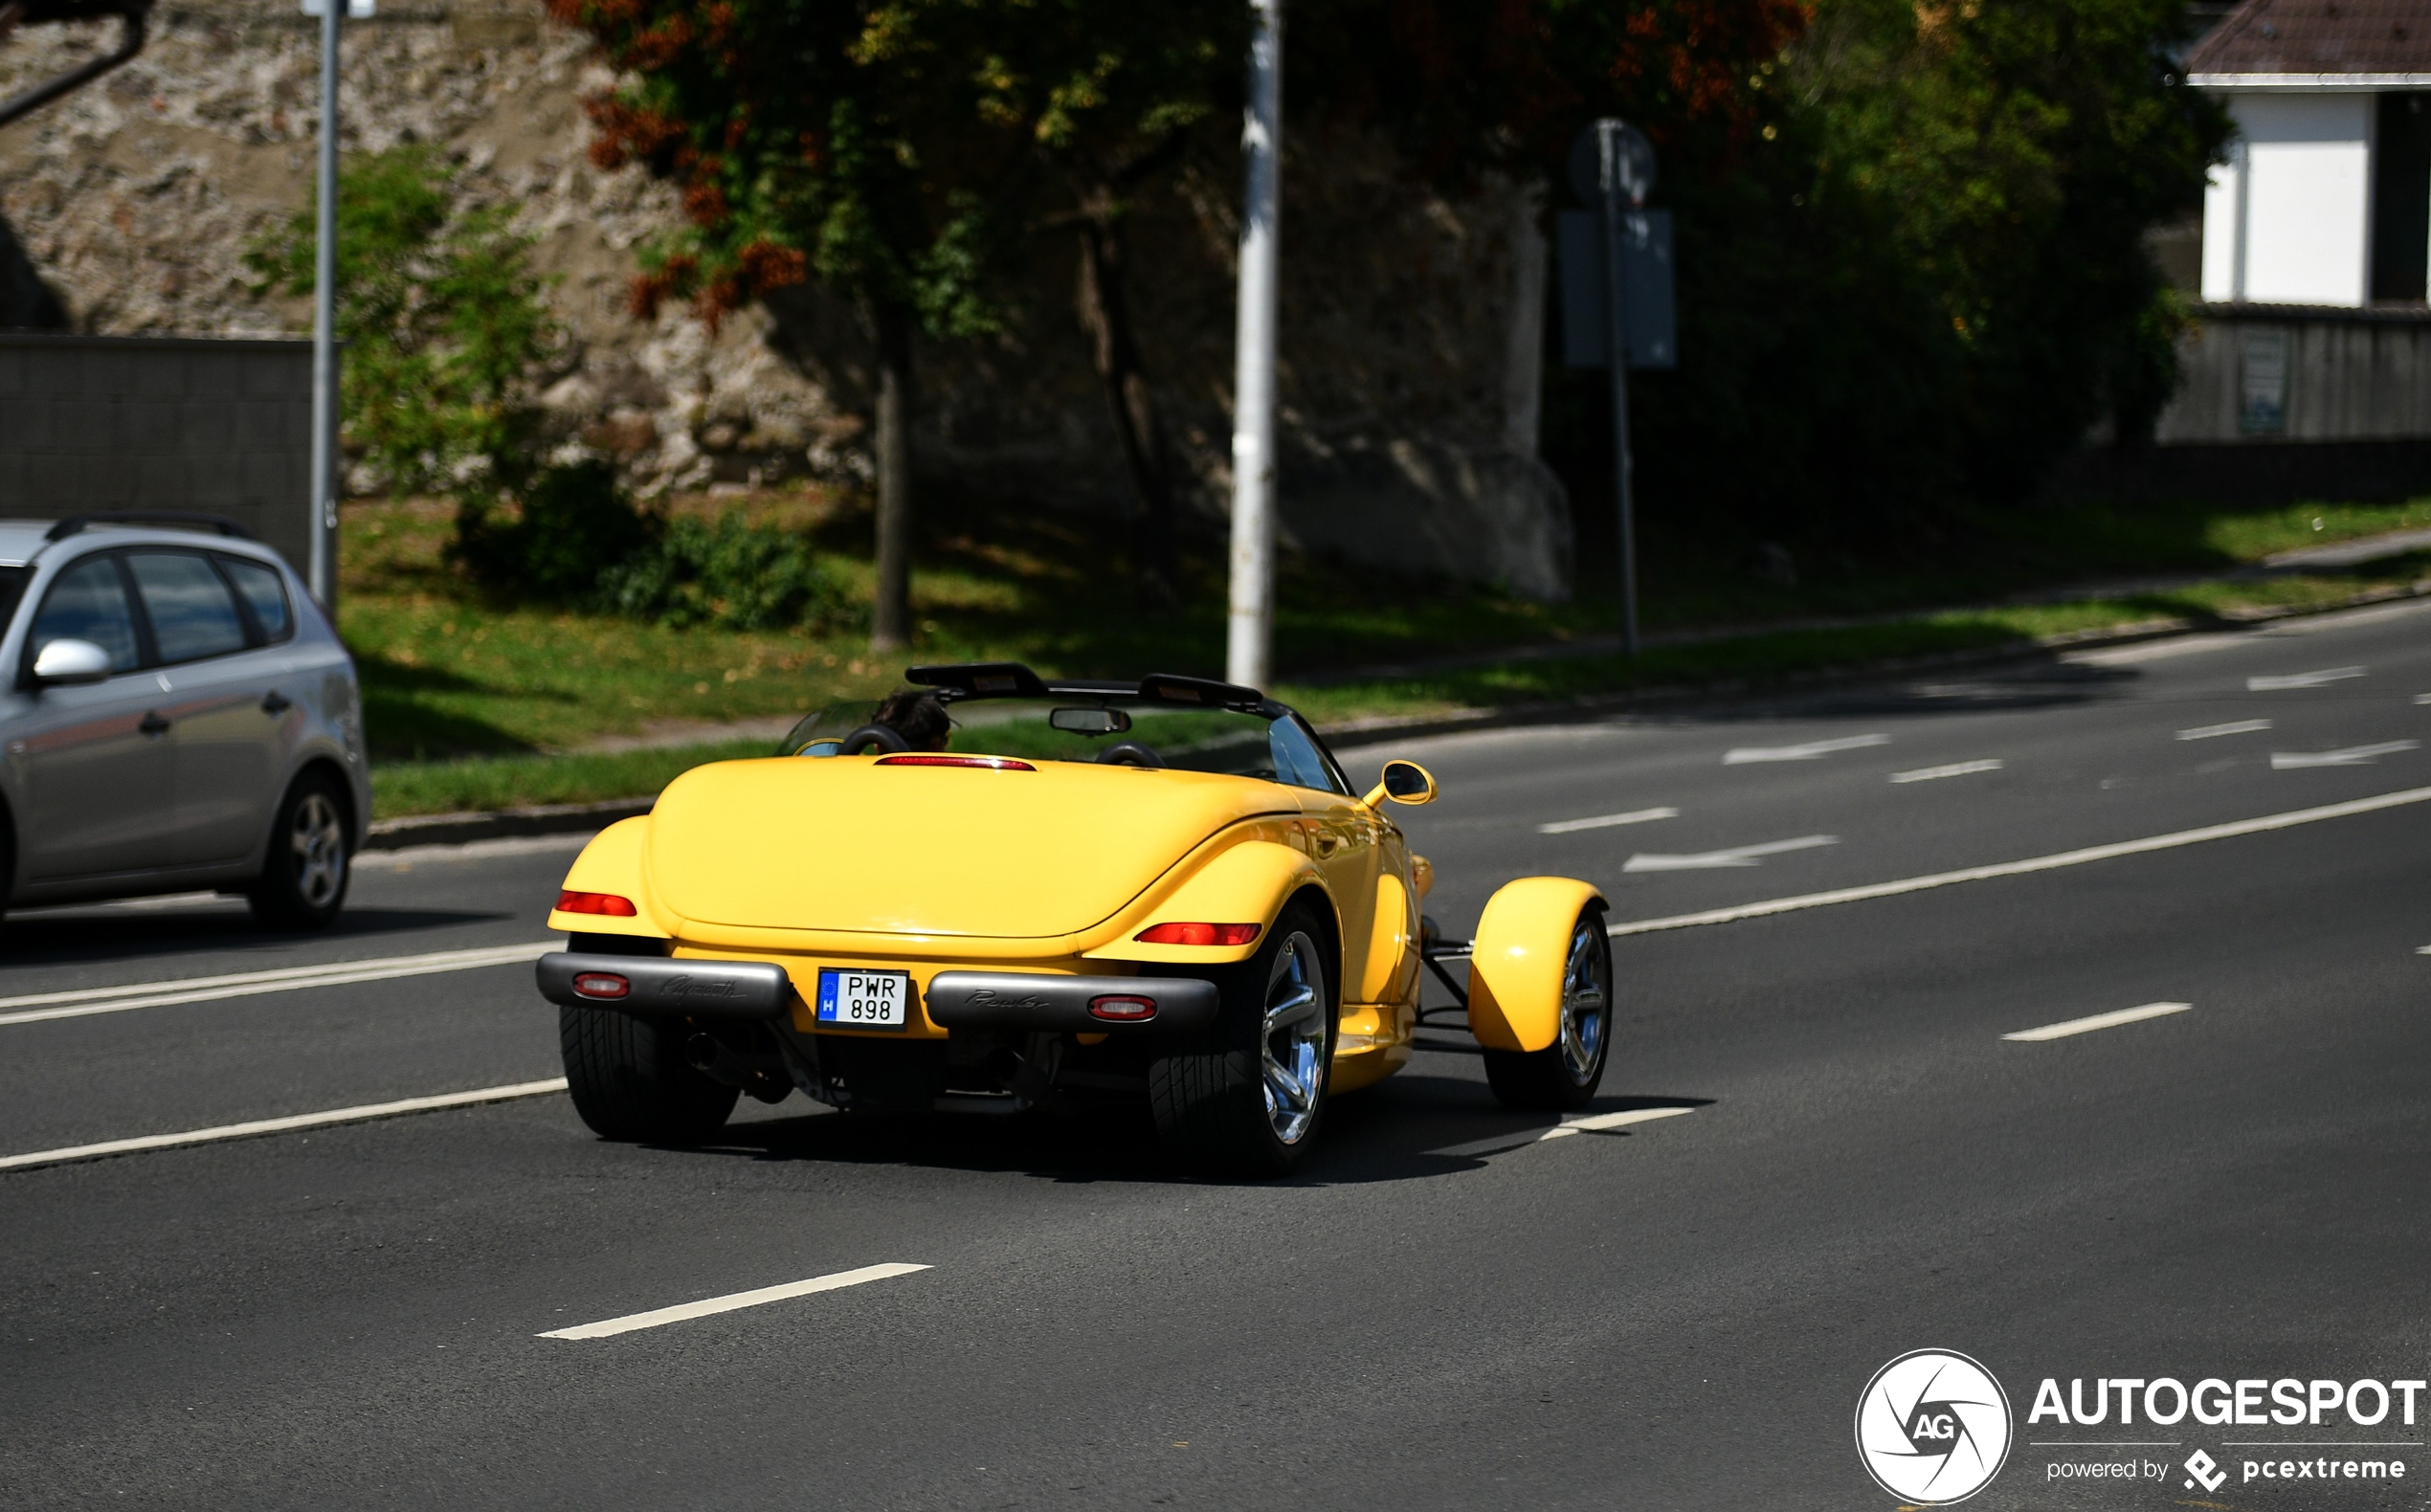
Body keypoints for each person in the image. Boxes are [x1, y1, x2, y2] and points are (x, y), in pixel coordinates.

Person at [871, 688, 951, 752]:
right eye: (946, 740)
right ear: (938, 746)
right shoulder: (958, 772)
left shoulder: (860, 769)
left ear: (877, 746)